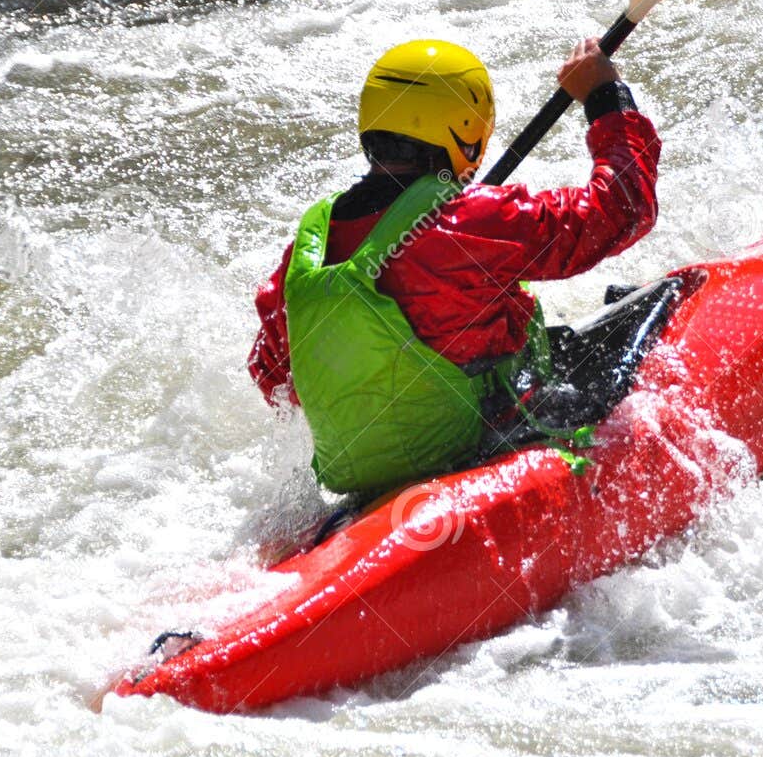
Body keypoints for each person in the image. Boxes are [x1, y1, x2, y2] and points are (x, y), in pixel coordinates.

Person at [249, 37, 661, 495]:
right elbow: (624, 209)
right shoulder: (471, 220)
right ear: (465, 131)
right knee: (648, 329)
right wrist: (606, 97)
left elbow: (274, 379)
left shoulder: (306, 250)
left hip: (368, 483)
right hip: (485, 446)